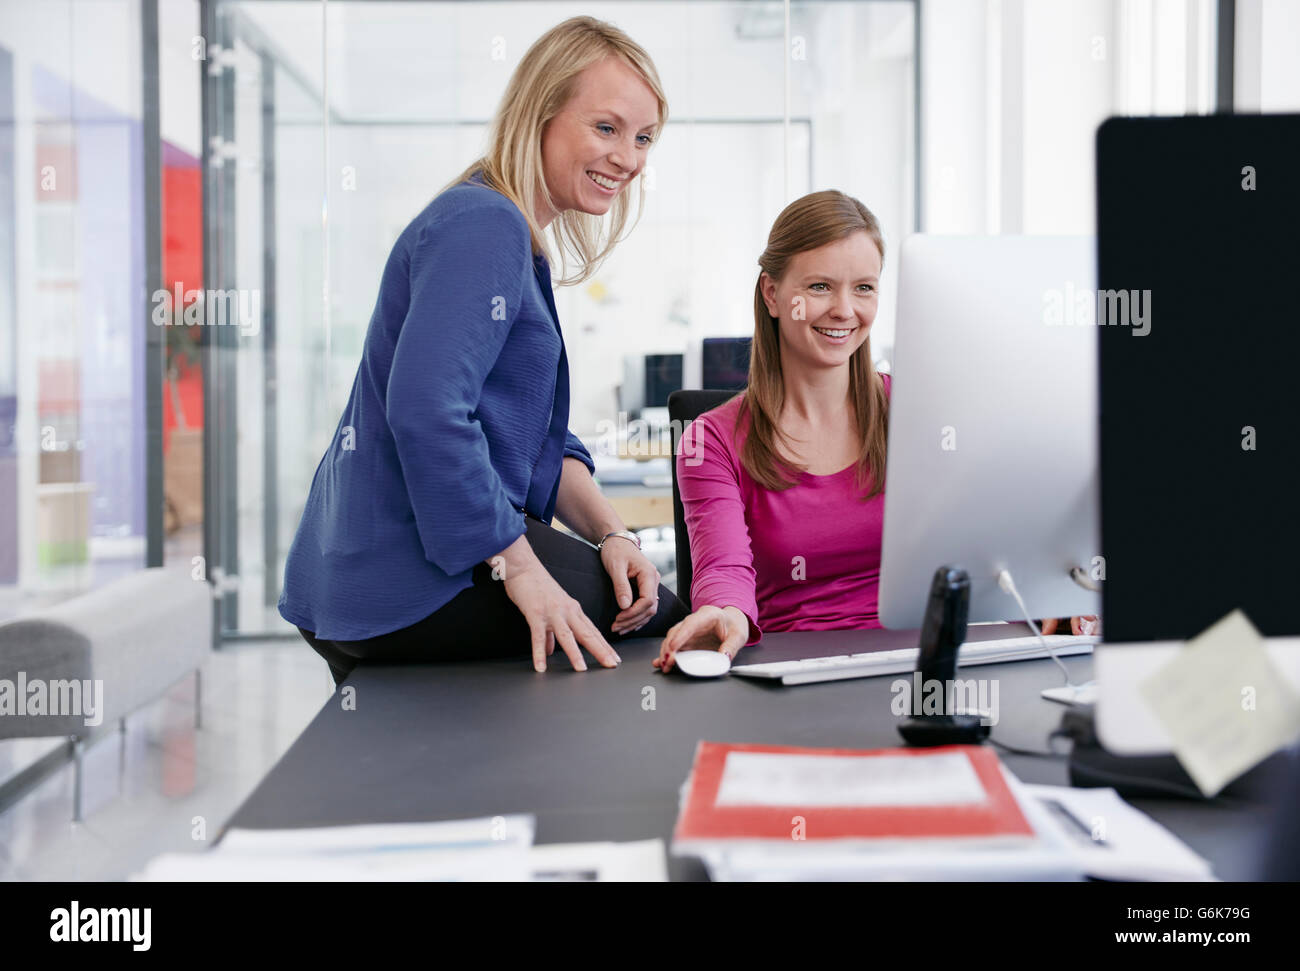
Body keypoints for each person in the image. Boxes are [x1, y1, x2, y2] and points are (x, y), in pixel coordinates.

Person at [279, 17, 686, 686]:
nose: (629, 158)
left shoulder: (504, 229)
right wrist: (522, 569)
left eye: (643, 138)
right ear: (541, 113)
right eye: (606, 128)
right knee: (657, 627)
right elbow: (427, 409)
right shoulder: (486, 223)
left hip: (351, 580)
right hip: (399, 580)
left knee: (634, 601)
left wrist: (615, 533)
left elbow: (534, 440)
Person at [657, 190, 1094, 672]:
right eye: (821, 286)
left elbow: (1009, 523)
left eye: (864, 287)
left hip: (939, 661)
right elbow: (724, 570)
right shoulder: (710, 440)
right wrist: (723, 612)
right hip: (801, 672)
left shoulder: (924, 410)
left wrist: (1060, 586)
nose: (845, 310)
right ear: (772, 294)